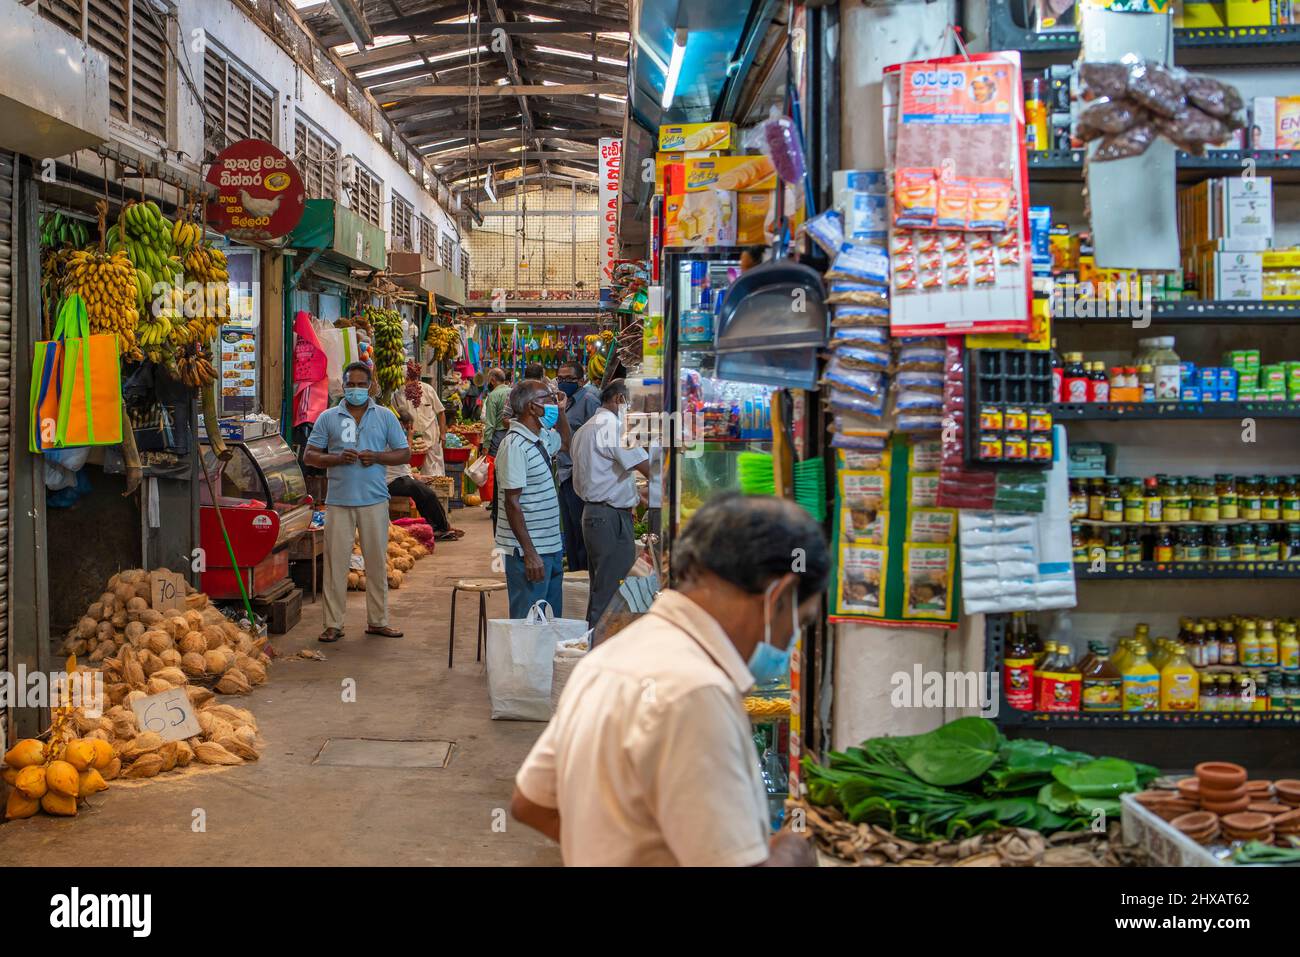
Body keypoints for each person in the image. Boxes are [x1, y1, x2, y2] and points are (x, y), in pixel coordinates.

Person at [510, 494, 827, 866]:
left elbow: (531, 801)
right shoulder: (697, 693)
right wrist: (793, 851)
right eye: (800, 621)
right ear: (780, 596)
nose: (791, 638)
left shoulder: (611, 656)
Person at [303, 362, 410, 643]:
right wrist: (336, 458)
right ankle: (333, 624)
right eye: (351, 384)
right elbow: (310, 456)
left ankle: (378, 621)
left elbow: (404, 453)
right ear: (344, 385)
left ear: (371, 386)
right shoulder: (328, 417)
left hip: (375, 500)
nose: (356, 390)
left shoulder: (385, 417)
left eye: (362, 385)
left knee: (376, 563)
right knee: (336, 564)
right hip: (338, 501)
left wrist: (376, 457)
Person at [570, 379, 649, 630]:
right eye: (634, 404)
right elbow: (647, 467)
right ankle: (600, 650)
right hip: (609, 518)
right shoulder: (612, 427)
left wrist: (637, 495)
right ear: (619, 400)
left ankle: (593, 643)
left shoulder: (586, 428)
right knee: (612, 593)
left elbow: (598, 475)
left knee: (602, 588)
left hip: (594, 514)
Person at [495, 378, 572, 618]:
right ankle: (524, 658)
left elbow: (566, 443)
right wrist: (529, 553)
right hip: (529, 550)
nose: (552, 402)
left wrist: (560, 412)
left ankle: (543, 658)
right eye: (548, 399)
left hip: (550, 544)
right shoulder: (514, 446)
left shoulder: (541, 438)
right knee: (527, 622)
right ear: (532, 407)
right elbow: (512, 502)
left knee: (549, 618)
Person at [554, 361, 602, 571]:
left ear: (581, 381)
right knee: (571, 530)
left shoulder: (590, 401)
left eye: (569, 379)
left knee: (581, 531)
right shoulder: (566, 401)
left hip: (579, 474)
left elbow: (597, 437)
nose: (563, 382)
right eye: (560, 378)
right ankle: (574, 573)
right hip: (564, 473)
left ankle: (583, 574)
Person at [387, 411, 462, 541]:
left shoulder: (396, 435)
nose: (408, 430)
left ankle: (438, 526)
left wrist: (414, 476)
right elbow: (406, 456)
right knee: (427, 494)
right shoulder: (392, 436)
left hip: (401, 477)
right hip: (390, 481)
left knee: (425, 494)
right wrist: (410, 438)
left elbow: (402, 465)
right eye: (408, 427)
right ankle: (442, 528)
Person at [393, 376, 447, 477]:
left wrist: (443, 434)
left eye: (411, 379)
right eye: (407, 380)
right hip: (412, 443)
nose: (410, 382)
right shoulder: (398, 395)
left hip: (431, 440)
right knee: (413, 475)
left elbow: (441, 412)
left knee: (434, 475)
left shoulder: (427, 389)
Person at [481, 367, 511, 456]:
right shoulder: (513, 391)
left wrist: (486, 446)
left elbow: (490, 424)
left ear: (493, 380)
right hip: (512, 434)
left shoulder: (493, 396)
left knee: (495, 465)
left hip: (498, 437)